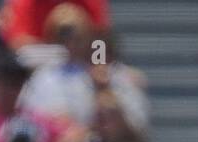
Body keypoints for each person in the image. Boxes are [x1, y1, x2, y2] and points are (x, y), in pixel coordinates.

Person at [19, 4, 147, 132]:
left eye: (76, 36)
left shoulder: (110, 74)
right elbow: (31, 118)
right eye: (63, 37)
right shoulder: (44, 78)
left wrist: (104, 90)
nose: (70, 43)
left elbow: (137, 122)